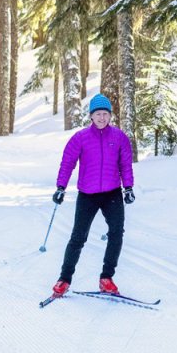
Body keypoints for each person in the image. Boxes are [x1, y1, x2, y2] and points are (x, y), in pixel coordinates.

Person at [50, 93, 135, 298]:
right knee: (78, 237)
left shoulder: (119, 137)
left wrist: (128, 188)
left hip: (112, 193)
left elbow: (126, 164)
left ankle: (106, 278)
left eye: (105, 114)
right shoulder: (80, 138)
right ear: (91, 116)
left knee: (116, 232)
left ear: (110, 116)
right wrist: (61, 187)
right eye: (98, 114)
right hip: (87, 194)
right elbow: (67, 163)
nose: (102, 118)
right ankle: (64, 279)